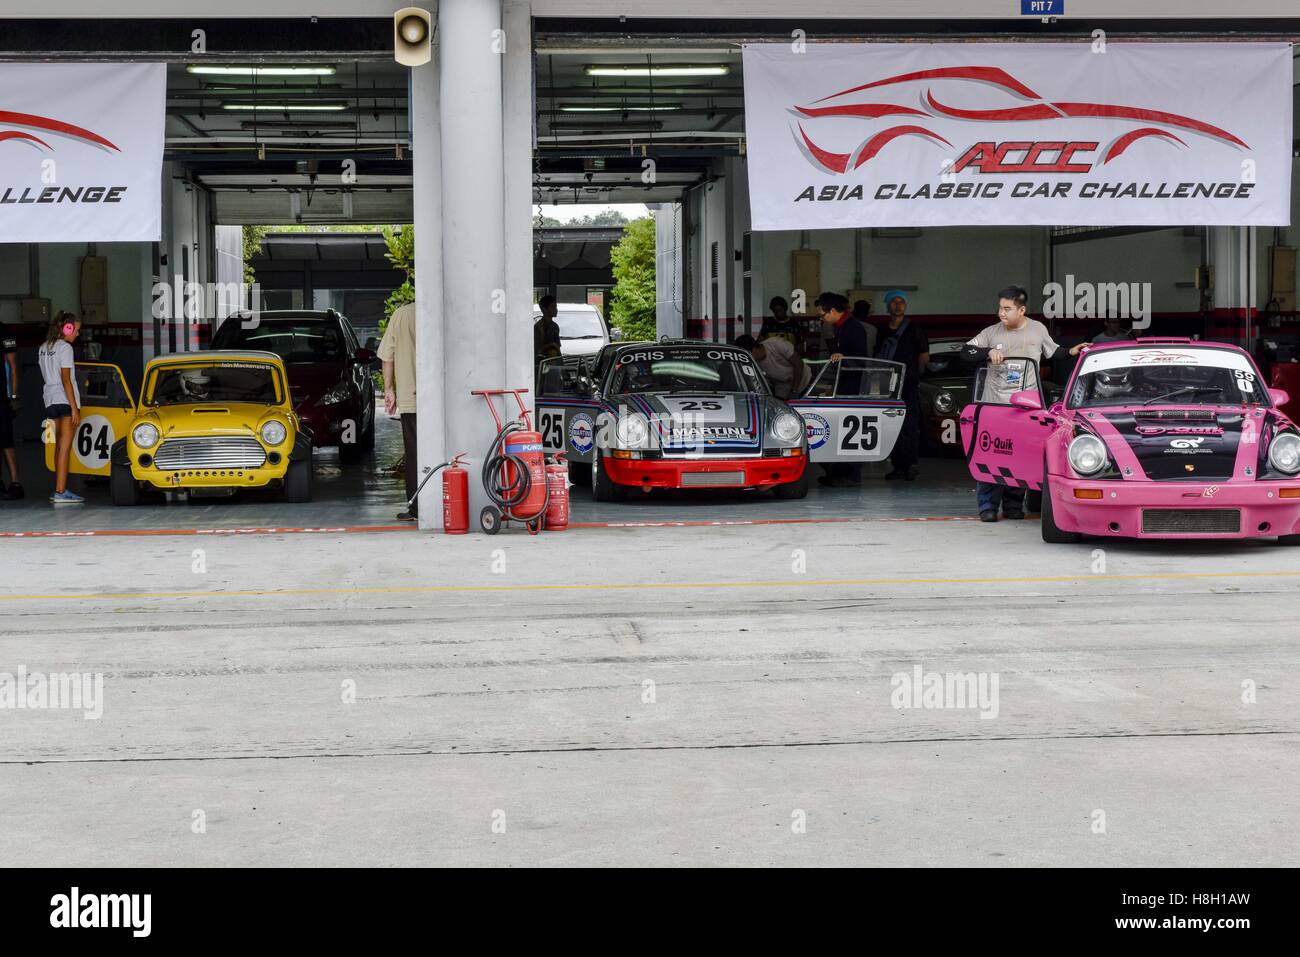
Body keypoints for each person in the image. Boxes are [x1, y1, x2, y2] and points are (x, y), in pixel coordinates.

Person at [962, 285, 1090, 523]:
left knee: (1019, 456)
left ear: (1021, 310)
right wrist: (987, 352)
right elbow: (965, 352)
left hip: (1025, 407)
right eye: (1000, 308)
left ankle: (1013, 505)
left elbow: (1054, 353)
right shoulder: (991, 333)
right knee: (992, 454)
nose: (1002, 313)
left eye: (1007, 309)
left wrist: (1073, 350)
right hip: (994, 406)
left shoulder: (1037, 330)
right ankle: (987, 506)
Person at [818, 292, 872, 487]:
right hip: (844, 382)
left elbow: (861, 358)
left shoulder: (853, 328)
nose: (822, 319)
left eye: (822, 315)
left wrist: (844, 357)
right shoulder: (840, 327)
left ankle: (851, 473)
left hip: (854, 385)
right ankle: (840, 471)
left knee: (851, 430)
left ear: (833, 311)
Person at [876, 290, 929, 481]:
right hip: (887, 384)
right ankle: (897, 465)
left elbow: (924, 356)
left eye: (901, 302)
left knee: (909, 425)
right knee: (890, 425)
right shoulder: (882, 330)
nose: (898, 305)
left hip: (908, 384)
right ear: (888, 305)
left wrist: (916, 376)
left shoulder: (914, 329)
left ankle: (910, 464)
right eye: (894, 302)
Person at [379, 300, 418, 522]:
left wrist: (389, 389)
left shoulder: (402, 315)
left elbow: (387, 355)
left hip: (411, 396)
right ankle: (445, 501)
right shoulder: (444, 310)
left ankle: (417, 507)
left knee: (414, 452)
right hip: (442, 400)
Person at [38, 312, 83, 505]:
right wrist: (74, 408)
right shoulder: (65, 348)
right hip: (64, 400)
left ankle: (59, 488)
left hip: (49, 400)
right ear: (67, 328)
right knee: (65, 449)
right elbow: (66, 379)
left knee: (58, 448)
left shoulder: (43, 348)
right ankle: (60, 491)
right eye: (77, 330)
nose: (78, 334)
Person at [734, 334, 808, 400]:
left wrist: (794, 391)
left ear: (753, 349)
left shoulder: (777, 344)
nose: (747, 359)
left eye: (748, 355)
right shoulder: (754, 364)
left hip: (804, 383)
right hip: (782, 389)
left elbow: (798, 364)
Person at [0, 316, 22, 500]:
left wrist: (14, 396)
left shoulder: (5, 333)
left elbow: (13, 367)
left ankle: (16, 483)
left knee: (6, 440)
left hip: (2, 397)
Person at [534, 295, 562, 365]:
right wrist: (551, 345)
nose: (556, 309)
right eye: (552, 307)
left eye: (556, 307)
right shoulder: (538, 327)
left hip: (555, 362)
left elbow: (558, 347)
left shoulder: (555, 326)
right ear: (544, 309)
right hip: (542, 364)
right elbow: (537, 350)